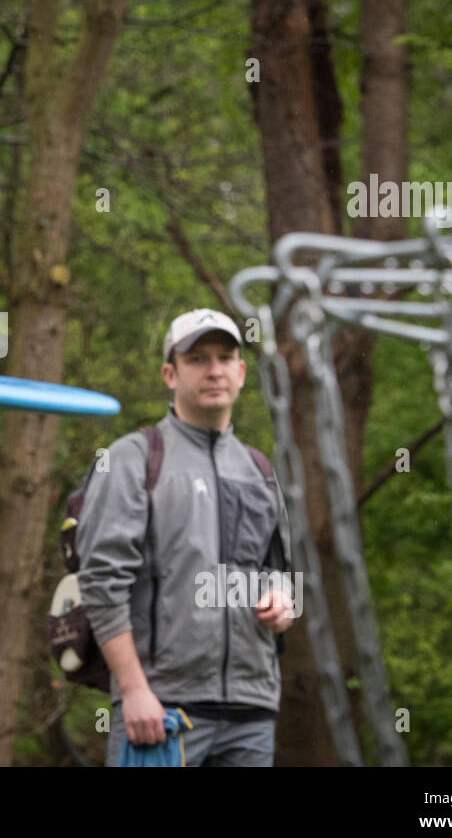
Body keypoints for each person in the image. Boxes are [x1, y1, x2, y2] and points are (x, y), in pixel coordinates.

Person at [76, 308, 297, 766]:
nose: (213, 370)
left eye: (224, 358)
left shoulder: (260, 471)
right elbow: (100, 583)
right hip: (160, 709)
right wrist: (135, 691)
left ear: (240, 371)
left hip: (251, 713)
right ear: (170, 374)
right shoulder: (133, 458)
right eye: (197, 358)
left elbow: (279, 577)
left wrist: (281, 605)